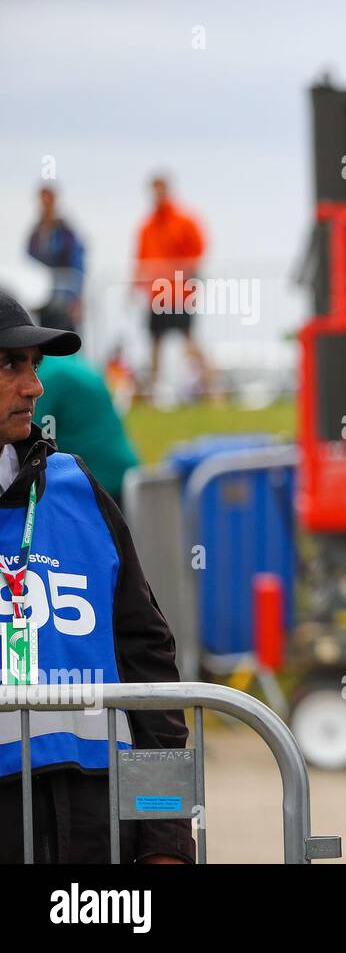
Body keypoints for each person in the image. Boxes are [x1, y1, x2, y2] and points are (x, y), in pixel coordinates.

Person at [0, 291, 193, 863]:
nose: (34, 387)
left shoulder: (77, 489)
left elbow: (149, 671)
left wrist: (165, 840)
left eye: (34, 366)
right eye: (10, 365)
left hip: (96, 838)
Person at [134, 174, 210, 397]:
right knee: (155, 341)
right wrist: (136, 283)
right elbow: (141, 257)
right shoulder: (147, 226)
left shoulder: (184, 221)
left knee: (188, 339)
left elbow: (198, 250)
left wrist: (184, 272)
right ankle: (153, 392)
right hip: (156, 293)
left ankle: (212, 385)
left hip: (179, 292)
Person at [35, 351, 140, 508]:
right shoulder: (74, 364)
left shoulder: (49, 375)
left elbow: (31, 434)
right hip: (123, 471)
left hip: (98, 481)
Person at [26, 186, 86, 333]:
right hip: (42, 297)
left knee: (64, 335)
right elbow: (28, 262)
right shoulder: (35, 233)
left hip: (64, 297)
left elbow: (78, 265)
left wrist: (77, 298)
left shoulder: (66, 232)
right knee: (44, 335)